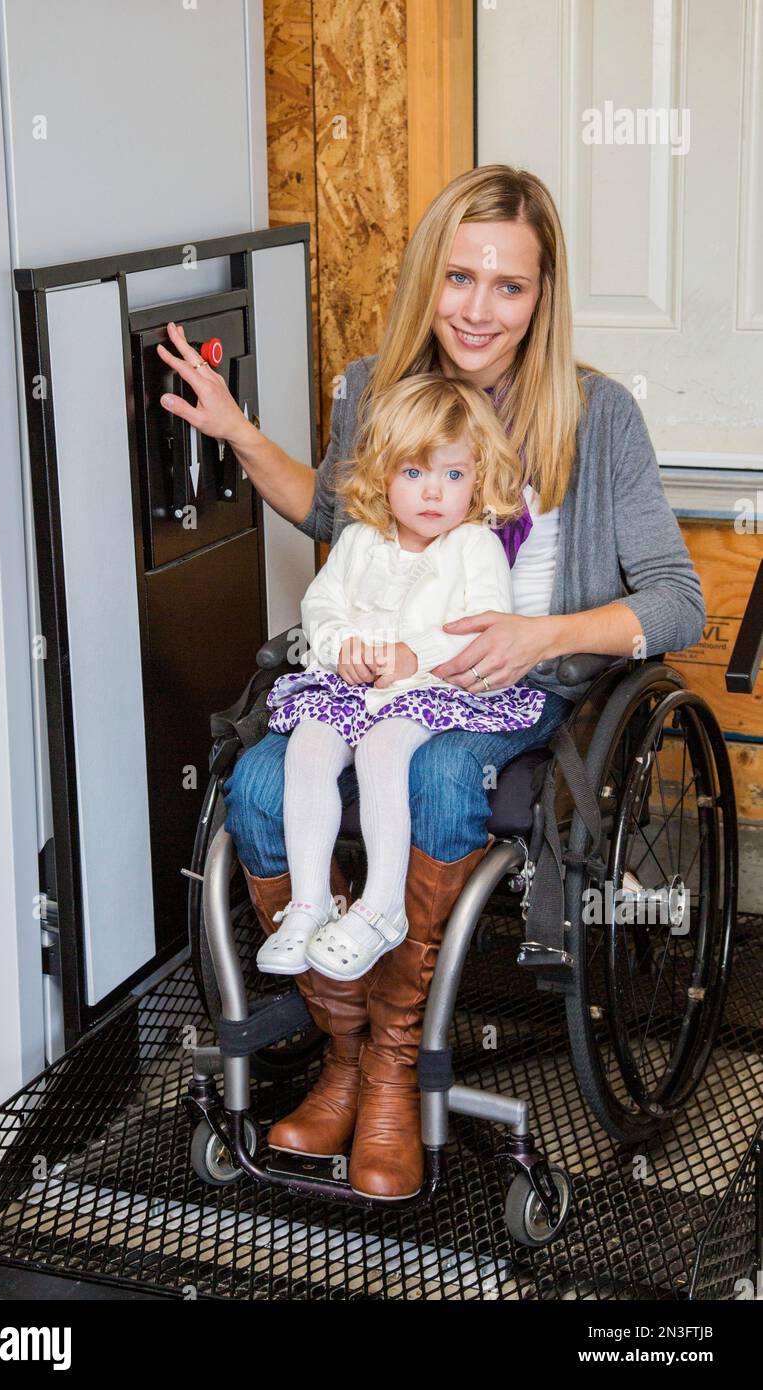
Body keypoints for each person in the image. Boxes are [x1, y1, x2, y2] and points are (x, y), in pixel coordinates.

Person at [157, 165, 706, 1201]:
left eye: (511, 285)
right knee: (264, 786)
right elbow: (337, 517)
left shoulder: (599, 416)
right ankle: (345, 1052)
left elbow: (678, 600)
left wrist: (540, 632)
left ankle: (395, 1064)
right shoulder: (376, 390)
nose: (480, 308)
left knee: (446, 775)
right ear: (429, 278)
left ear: (544, 296)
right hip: (376, 678)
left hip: (516, 693)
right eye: (461, 276)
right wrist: (236, 434)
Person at [257, 373, 546, 990]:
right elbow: (322, 608)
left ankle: (382, 903)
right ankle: (308, 904)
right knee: (309, 743)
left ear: (479, 479)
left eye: (453, 475)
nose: (434, 493)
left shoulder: (473, 547)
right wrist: (344, 649)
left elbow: (483, 627)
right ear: (382, 475)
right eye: (414, 474)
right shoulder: (360, 540)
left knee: (385, 748)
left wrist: (412, 656)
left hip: (438, 689)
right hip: (355, 685)